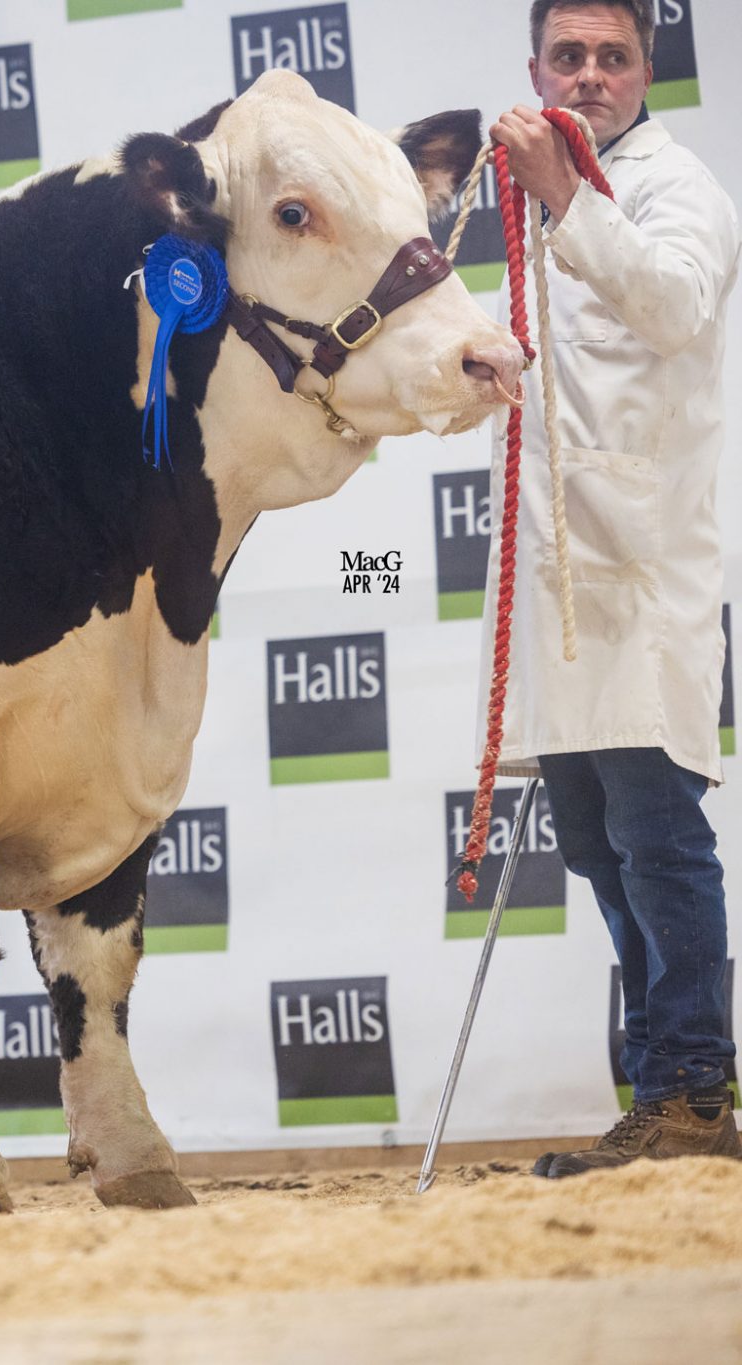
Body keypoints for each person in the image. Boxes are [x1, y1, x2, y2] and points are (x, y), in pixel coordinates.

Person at [487, 0, 742, 1176]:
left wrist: (563, 198)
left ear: (646, 69)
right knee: (594, 842)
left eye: (611, 56)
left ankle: (693, 1089)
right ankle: (659, 1090)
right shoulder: (529, 202)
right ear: (532, 67)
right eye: (566, 56)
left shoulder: (667, 186)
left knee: (655, 836)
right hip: (561, 580)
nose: (586, 76)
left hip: (639, 574)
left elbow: (677, 307)